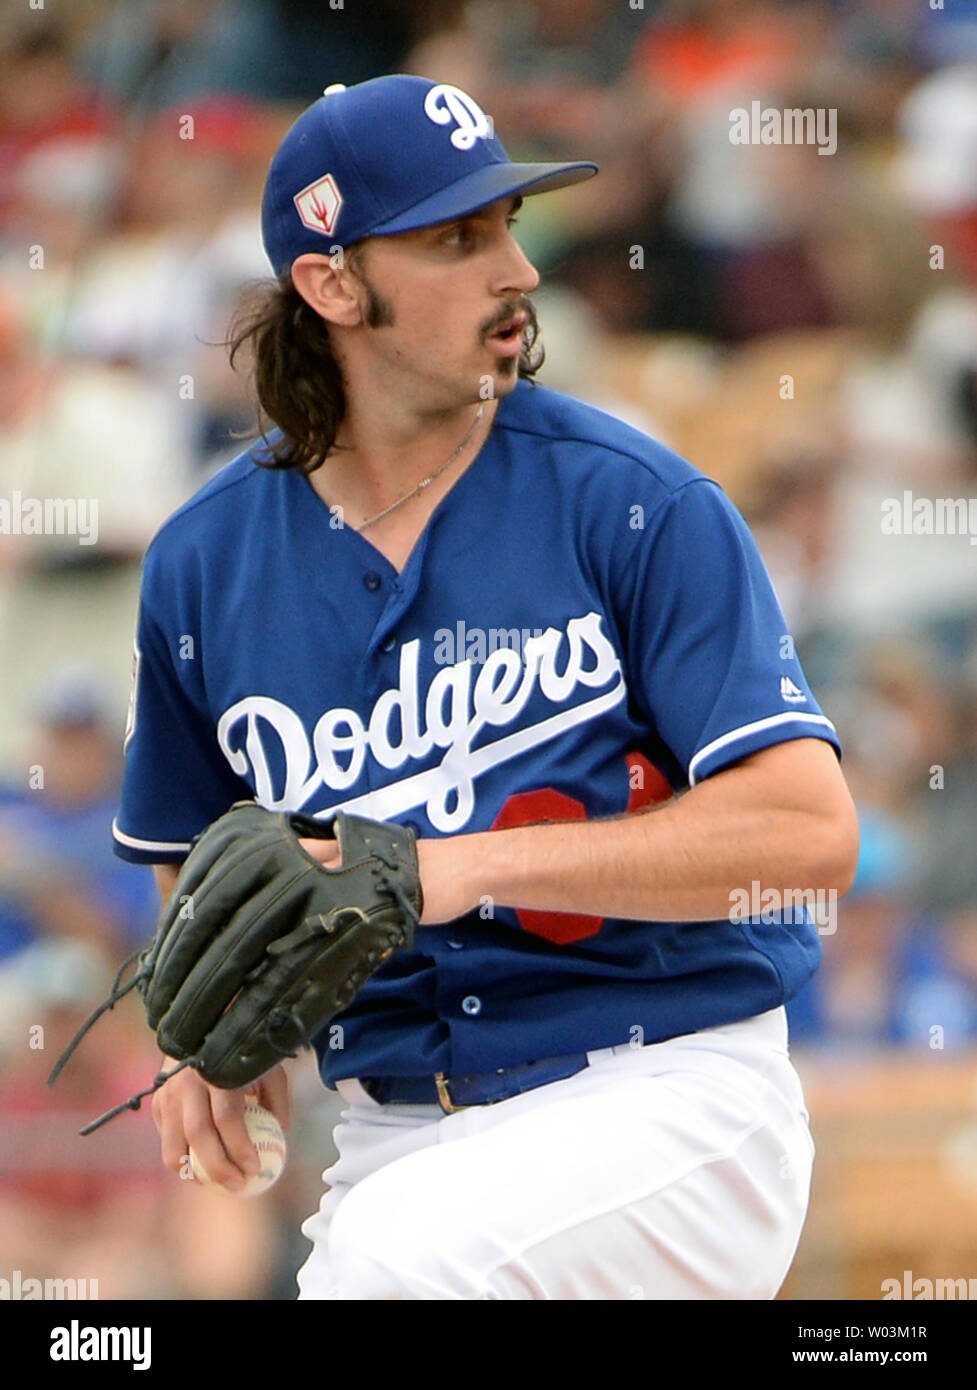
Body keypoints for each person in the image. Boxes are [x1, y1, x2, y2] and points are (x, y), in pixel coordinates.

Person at [111, 75, 859, 1300]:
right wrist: (202, 1031)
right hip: (394, 1141)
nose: (516, 267)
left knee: (393, 1277)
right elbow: (195, 864)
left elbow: (807, 833)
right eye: (458, 238)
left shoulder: (631, 500)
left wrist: (460, 866)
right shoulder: (206, 562)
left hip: (665, 1094)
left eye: (509, 224)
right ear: (332, 285)